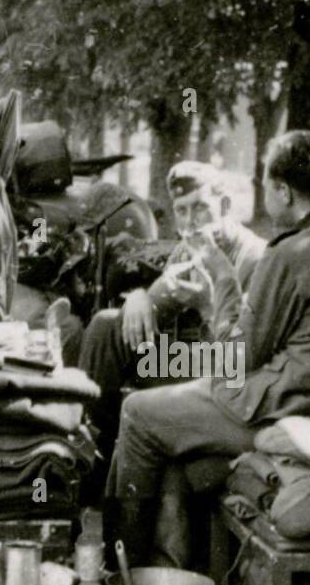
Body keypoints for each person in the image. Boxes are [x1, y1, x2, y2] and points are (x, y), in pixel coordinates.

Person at [106, 132, 310, 565]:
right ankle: (174, 584)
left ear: (284, 192)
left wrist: (219, 287)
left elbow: (236, 360)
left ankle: (120, 572)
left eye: (267, 186)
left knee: (137, 413)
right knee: (180, 461)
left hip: (280, 409)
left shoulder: (290, 253)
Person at [79, 161, 266, 455]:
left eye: (200, 207)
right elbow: (155, 302)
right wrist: (139, 297)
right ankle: (95, 450)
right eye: (181, 210)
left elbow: (244, 357)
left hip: (227, 378)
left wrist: (207, 306)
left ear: (225, 205)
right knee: (105, 325)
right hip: (185, 363)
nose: (191, 221)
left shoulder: (257, 258)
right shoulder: (186, 249)